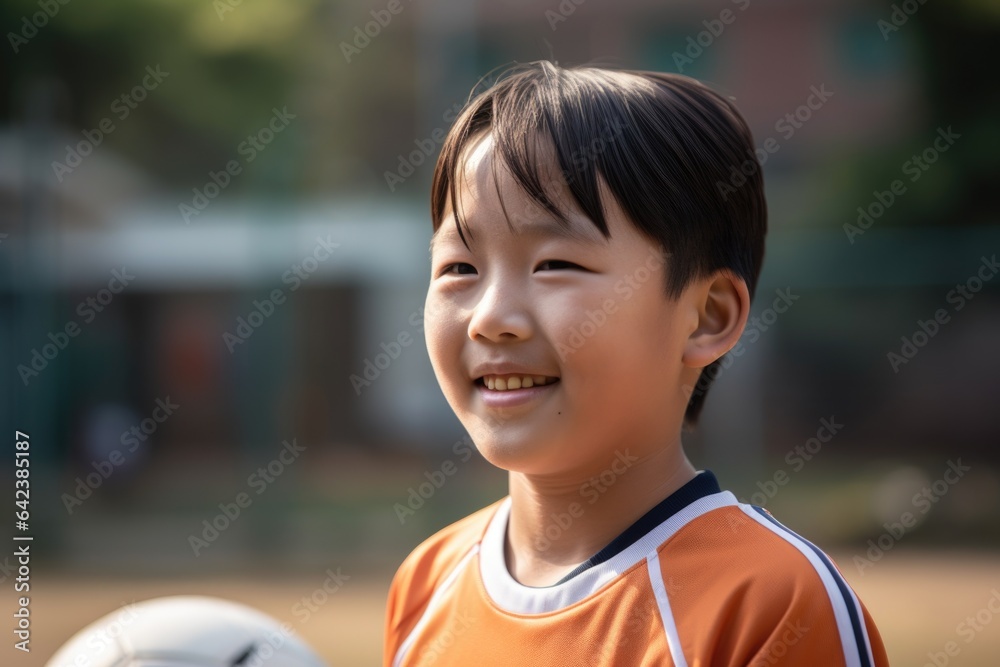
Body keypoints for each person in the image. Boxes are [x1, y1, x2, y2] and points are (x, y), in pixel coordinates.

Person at [384, 60, 888, 666]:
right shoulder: (425, 583)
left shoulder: (768, 603)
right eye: (458, 268)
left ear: (707, 317)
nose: (489, 318)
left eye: (555, 265)